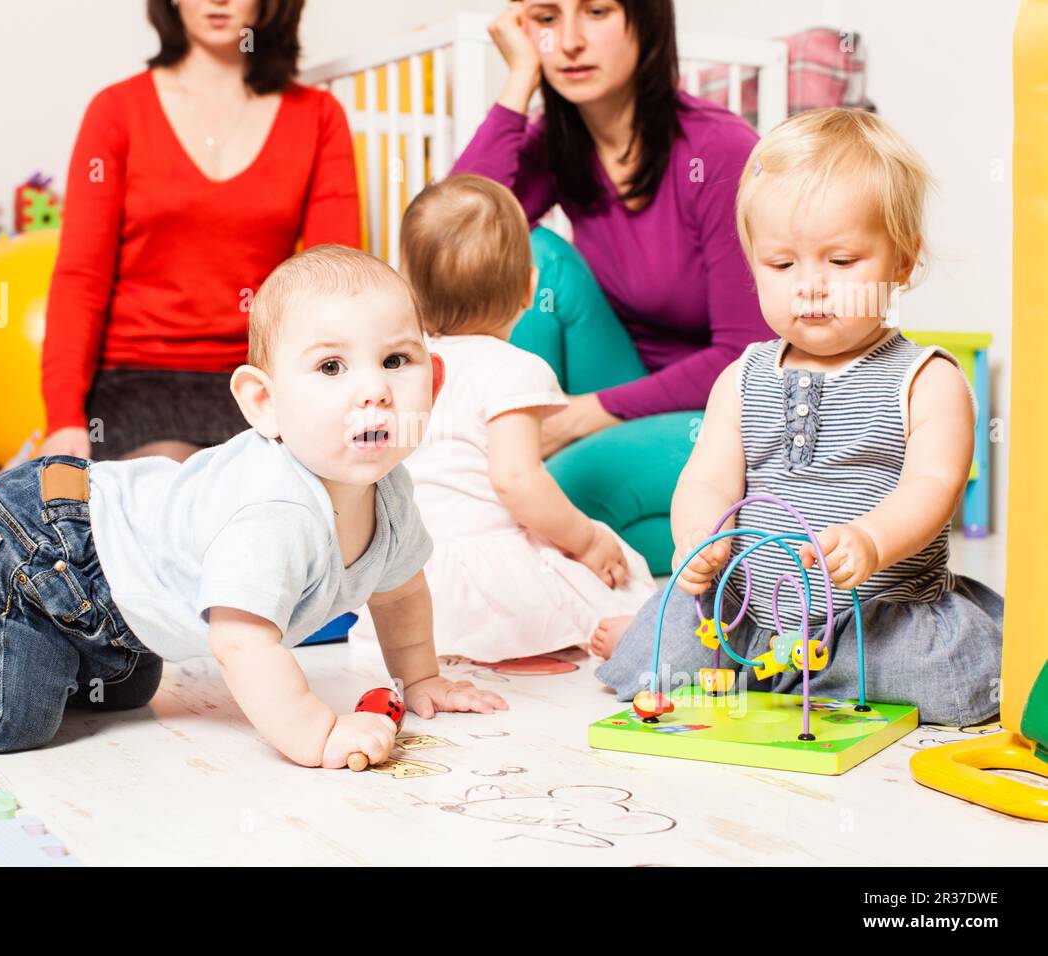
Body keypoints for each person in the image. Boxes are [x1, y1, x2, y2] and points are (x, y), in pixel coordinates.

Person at [0, 246, 507, 766]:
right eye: (330, 367)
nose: (374, 390)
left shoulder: (391, 489)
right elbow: (242, 642)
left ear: (432, 379)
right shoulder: (278, 511)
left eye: (396, 361)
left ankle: (68, 654)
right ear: (264, 403)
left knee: (130, 691)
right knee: (7, 715)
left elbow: (400, 587)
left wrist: (421, 678)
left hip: (114, 587)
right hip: (40, 542)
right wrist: (317, 732)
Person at [596, 109, 1002, 726]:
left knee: (951, 678)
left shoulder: (928, 379)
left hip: (873, 616)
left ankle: (812, 675)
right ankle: (685, 647)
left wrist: (872, 539)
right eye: (782, 265)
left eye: (841, 261)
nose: (809, 286)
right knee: (671, 642)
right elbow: (707, 479)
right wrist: (697, 540)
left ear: (903, 262)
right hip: (752, 612)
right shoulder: (743, 377)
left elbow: (933, 488)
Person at [451, 0, 770, 572]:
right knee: (529, 251)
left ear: (646, 22)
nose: (568, 41)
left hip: (714, 415)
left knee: (554, 499)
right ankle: (689, 546)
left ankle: (737, 548)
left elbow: (745, 357)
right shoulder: (560, 142)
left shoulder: (719, 151)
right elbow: (456, 241)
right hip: (614, 385)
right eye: (547, 19)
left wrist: (579, 417)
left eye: (596, 11)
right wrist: (519, 79)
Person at [40, 0, 360, 465]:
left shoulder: (318, 116)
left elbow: (333, 282)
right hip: (135, 380)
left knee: (263, 500)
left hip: (260, 380)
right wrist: (63, 418)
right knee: (168, 481)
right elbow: (80, 278)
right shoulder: (115, 111)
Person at [352, 175, 656, 662]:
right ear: (530, 287)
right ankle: (625, 635)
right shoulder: (514, 369)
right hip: (490, 578)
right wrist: (587, 539)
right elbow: (516, 481)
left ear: (410, 291)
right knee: (626, 585)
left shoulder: (401, 369)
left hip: (407, 582)